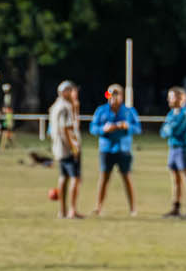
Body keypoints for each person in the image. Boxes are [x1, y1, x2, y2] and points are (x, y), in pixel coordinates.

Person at [90, 85, 142, 216]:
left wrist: (127, 126)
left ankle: (133, 209)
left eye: (116, 93)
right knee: (104, 178)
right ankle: (98, 207)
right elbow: (93, 128)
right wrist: (104, 129)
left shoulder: (129, 111)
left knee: (127, 177)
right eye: (110, 93)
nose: (113, 96)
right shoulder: (101, 110)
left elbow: (138, 128)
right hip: (106, 149)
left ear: (122, 96)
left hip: (123, 149)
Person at [159, 88, 186, 219]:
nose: (169, 100)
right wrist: (168, 129)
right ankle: (176, 207)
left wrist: (168, 128)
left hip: (184, 149)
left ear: (181, 98)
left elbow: (175, 130)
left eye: (171, 97)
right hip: (173, 148)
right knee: (175, 180)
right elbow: (163, 131)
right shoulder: (171, 114)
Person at [47, 81, 82, 218]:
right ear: (65, 92)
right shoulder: (65, 107)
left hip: (58, 148)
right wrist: (74, 148)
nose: (74, 93)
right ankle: (72, 210)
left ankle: (62, 211)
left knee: (63, 177)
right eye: (71, 90)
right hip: (67, 148)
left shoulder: (55, 106)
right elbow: (67, 129)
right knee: (74, 178)